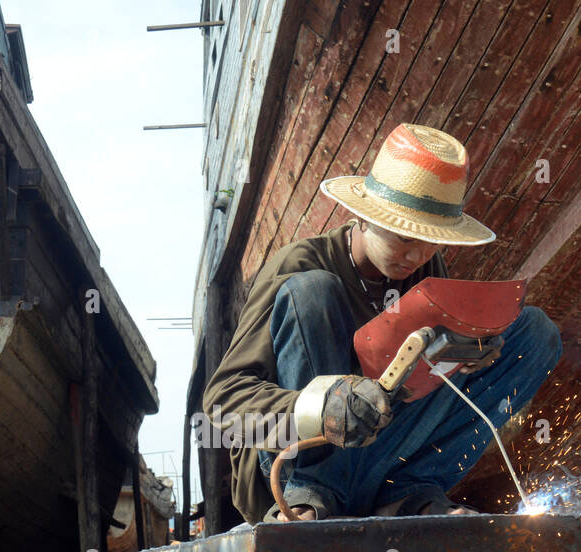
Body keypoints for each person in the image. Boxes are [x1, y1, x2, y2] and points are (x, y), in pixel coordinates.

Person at [203, 123, 562, 523]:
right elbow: (222, 401)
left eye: (431, 241)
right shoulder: (299, 266)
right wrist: (319, 408)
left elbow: (430, 373)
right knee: (313, 293)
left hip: (382, 461)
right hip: (299, 463)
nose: (416, 255)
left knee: (534, 333)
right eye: (404, 239)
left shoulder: (425, 266)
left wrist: (471, 352)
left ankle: (411, 490)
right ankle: (313, 494)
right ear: (363, 216)